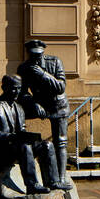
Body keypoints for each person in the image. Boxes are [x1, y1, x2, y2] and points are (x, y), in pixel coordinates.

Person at [0, 74, 57, 193]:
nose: (16, 91)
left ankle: (52, 182)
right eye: (13, 88)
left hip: (17, 148)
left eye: (19, 88)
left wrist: (28, 137)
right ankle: (32, 185)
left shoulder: (19, 108)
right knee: (24, 146)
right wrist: (10, 137)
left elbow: (22, 131)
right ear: (4, 88)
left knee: (47, 145)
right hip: (1, 150)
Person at [17, 39, 70, 190]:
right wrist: (33, 104)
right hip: (39, 104)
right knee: (17, 111)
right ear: (29, 54)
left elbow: (61, 86)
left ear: (43, 53)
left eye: (39, 55)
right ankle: (18, 150)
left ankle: (60, 178)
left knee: (60, 141)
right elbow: (22, 92)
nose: (36, 58)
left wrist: (43, 74)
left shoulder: (55, 62)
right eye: (33, 55)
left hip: (57, 105)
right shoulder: (24, 68)